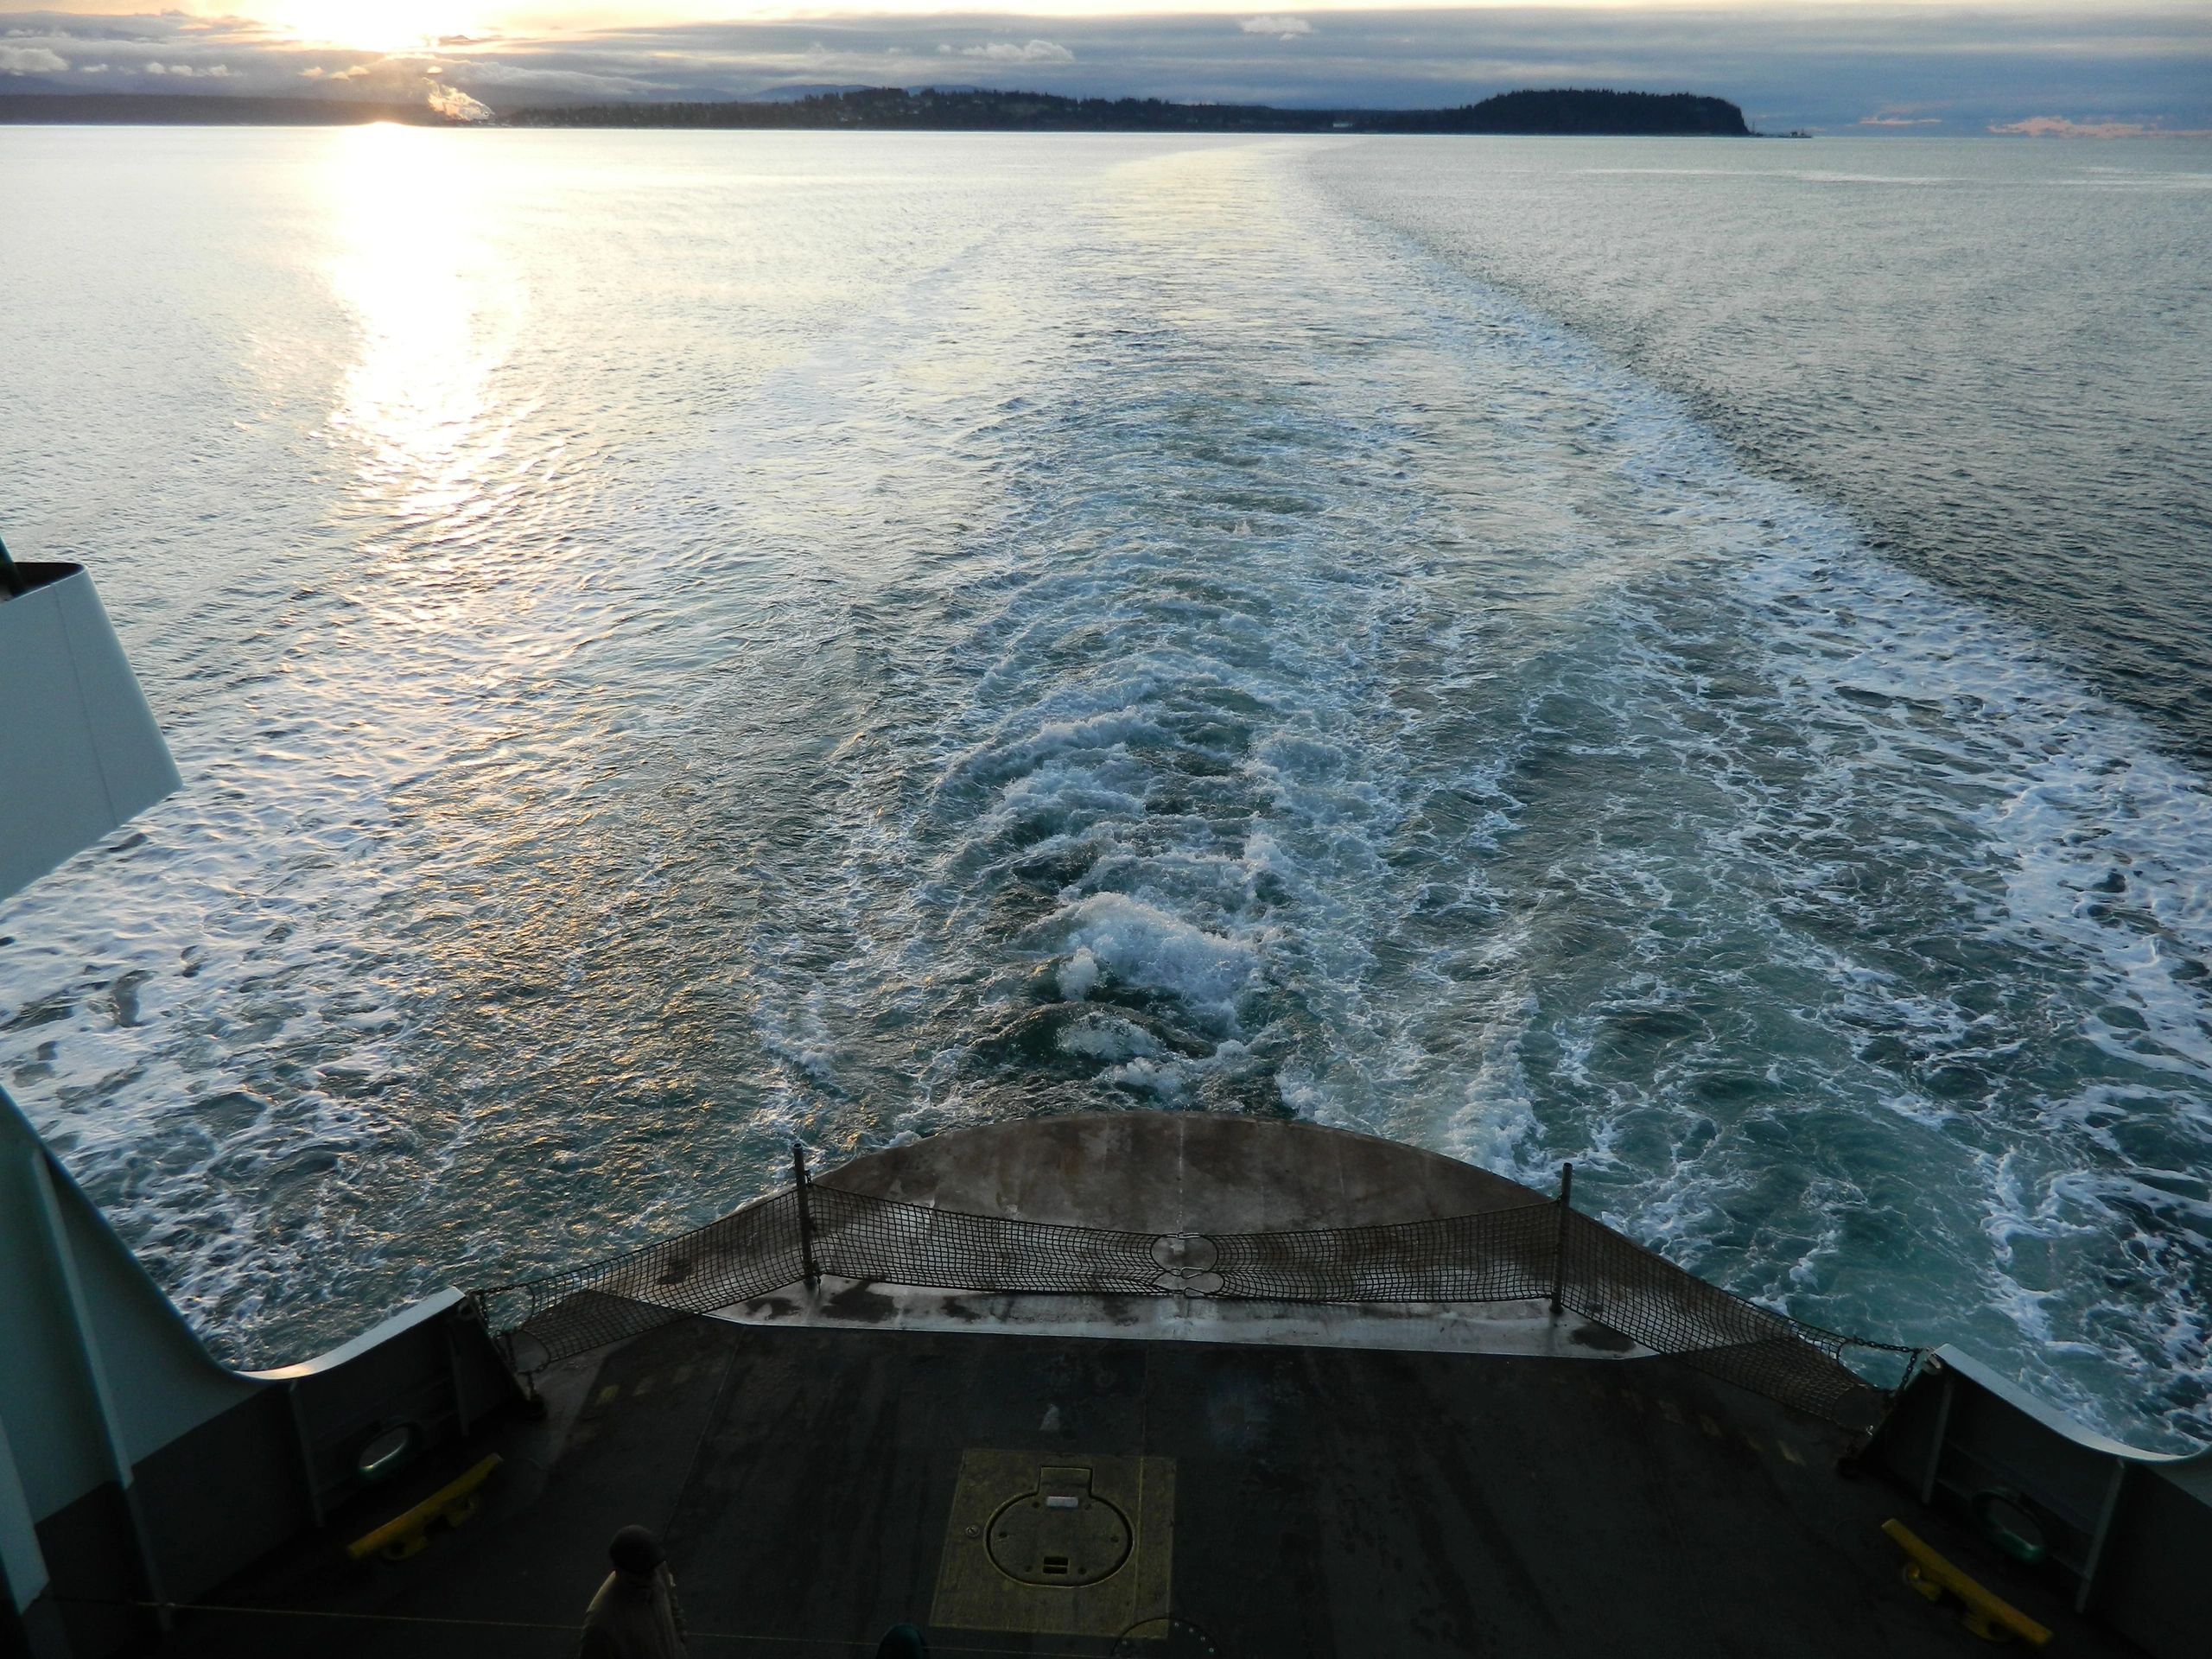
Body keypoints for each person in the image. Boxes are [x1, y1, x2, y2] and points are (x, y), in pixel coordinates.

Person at [580, 1525, 688, 1659]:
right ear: (621, 1572)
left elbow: (672, 1601)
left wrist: (681, 1639)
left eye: (653, 1569)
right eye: (645, 1573)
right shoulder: (601, 1623)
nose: (654, 1577)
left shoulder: (656, 1567)